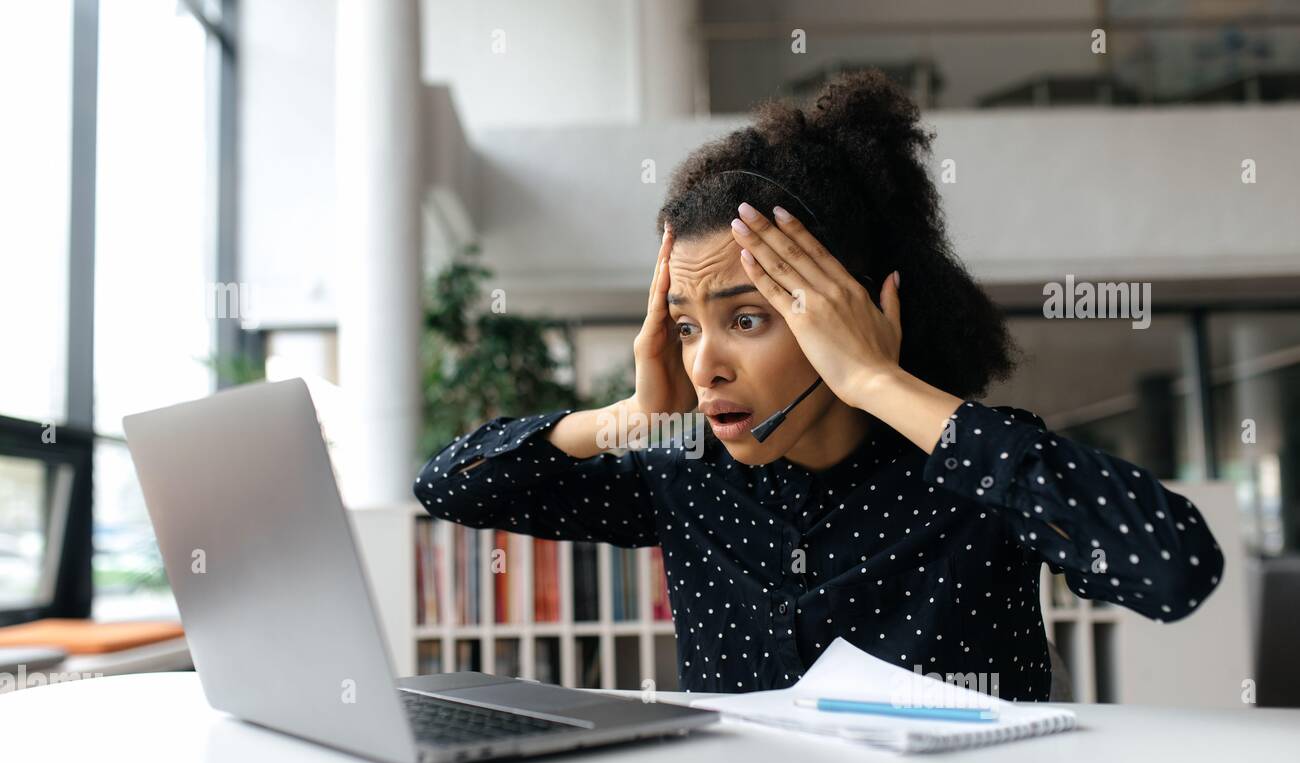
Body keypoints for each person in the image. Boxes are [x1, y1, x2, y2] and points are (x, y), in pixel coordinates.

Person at [414, 69, 1222, 700]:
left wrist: (876, 379)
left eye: (748, 319)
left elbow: (1175, 568)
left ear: (848, 310)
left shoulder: (971, 465)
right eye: (689, 326)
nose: (704, 365)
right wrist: (628, 416)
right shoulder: (685, 473)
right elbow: (450, 484)